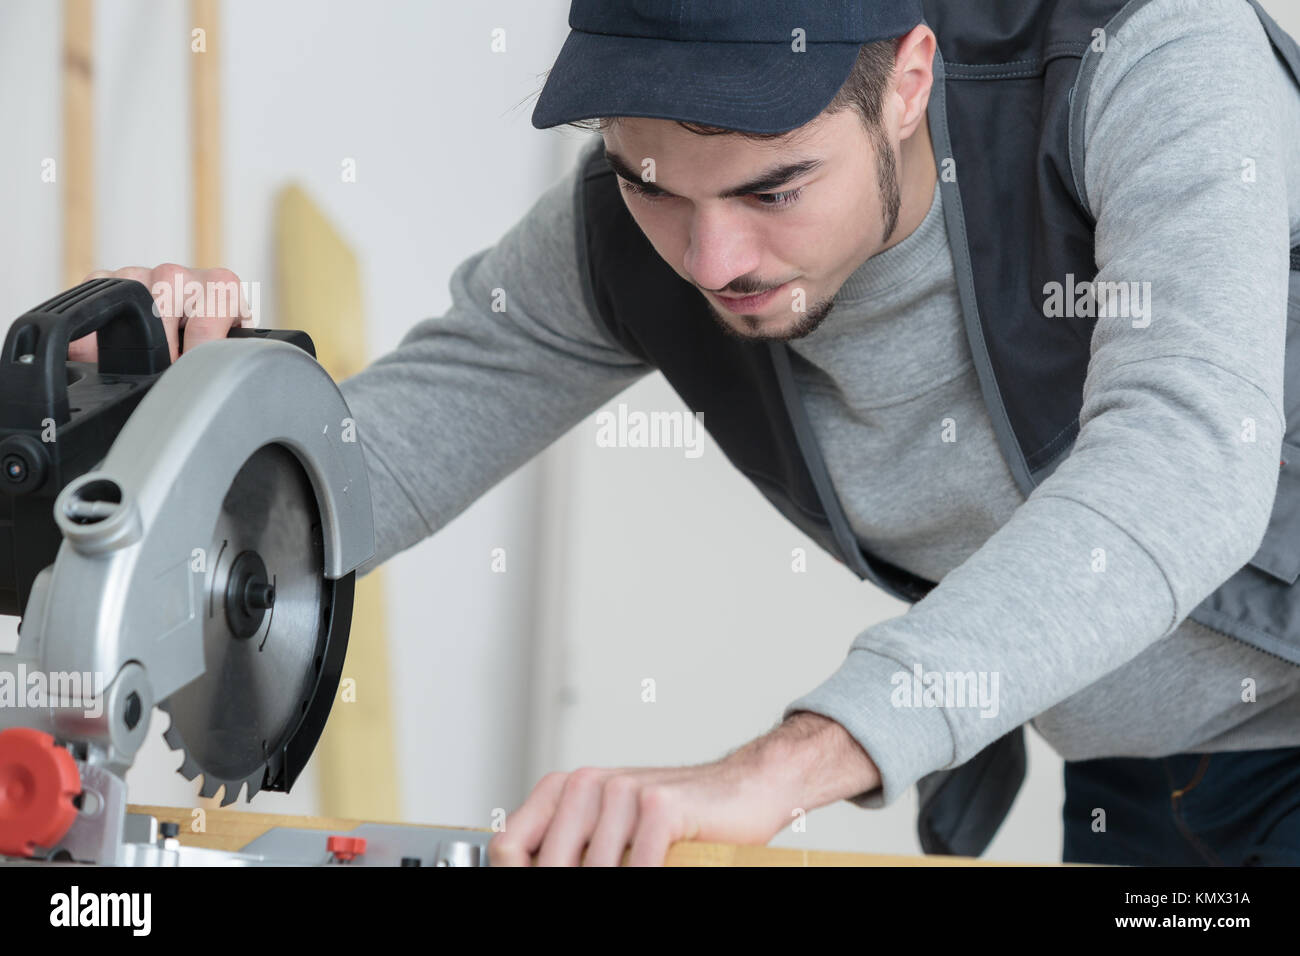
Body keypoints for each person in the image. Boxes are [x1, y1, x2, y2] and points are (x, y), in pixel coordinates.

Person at [80, 0, 1300, 867]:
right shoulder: (617, 240)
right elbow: (364, 473)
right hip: (1139, 775)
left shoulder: (1147, 59)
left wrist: (786, 761)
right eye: (652, 181)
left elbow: (1183, 460)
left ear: (911, 80)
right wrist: (166, 428)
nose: (715, 259)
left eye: (774, 189)